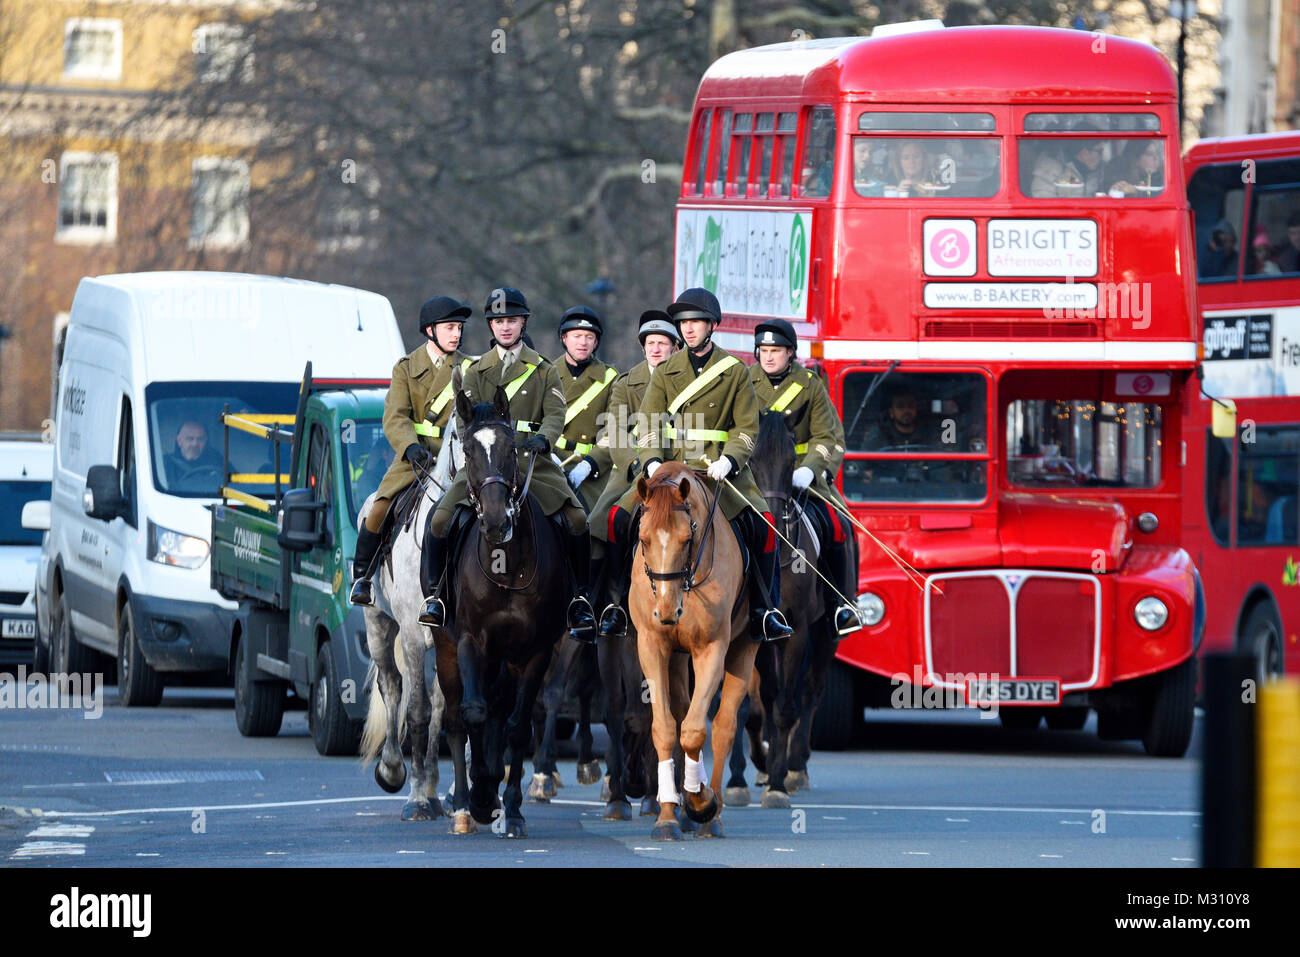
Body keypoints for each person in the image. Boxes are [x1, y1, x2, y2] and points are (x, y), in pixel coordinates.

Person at [611, 287, 792, 641]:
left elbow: (746, 427)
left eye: (695, 322)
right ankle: (618, 605)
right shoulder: (665, 372)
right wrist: (651, 462)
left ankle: (764, 610)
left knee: (764, 524)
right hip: (671, 471)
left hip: (717, 472)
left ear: (711, 325)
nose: (688, 329)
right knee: (618, 519)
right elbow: (648, 421)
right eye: (683, 323)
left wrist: (730, 459)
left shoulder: (736, 371)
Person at [419, 287, 596, 642]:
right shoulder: (475, 371)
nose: (505, 327)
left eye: (512, 321)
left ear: (523, 323)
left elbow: (556, 413)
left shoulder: (544, 370)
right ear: (491, 325)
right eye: (499, 321)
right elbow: (463, 418)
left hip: (532, 460)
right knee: (439, 518)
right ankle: (436, 597)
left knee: (577, 517)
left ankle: (579, 599)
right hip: (486, 463)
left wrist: (544, 438)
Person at [350, 296, 476, 606]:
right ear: (430, 330)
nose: (456, 334)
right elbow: (394, 417)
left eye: (458, 328)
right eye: (449, 328)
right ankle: (363, 578)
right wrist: (409, 448)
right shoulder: (406, 368)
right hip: (415, 458)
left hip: (458, 459)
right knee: (379, 507)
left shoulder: (470, 369)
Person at [748, 318, 861, 637]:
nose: (768, 357)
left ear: (791, 353)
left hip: (800, 478)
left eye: (776, 351)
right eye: (764, 350)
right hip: (754, 478)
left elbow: (830, 437)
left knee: (838, 525)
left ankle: (842, 603)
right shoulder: (743, 382)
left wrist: (809, 468)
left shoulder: (810, 384)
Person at [590, 310, 681, 638]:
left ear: (674, 347)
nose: (656, 349)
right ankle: (609, 601)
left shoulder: (685, 381)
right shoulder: (626, 383)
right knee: (607, 520)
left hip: (675, 469)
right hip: (634, 471)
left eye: (662, 343)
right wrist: (638, 465)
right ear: (643, 348)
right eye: (650, 343)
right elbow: (615, 432)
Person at [552, 306, 618, 507]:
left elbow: (614, 431)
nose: (583, 342)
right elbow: (536, 422)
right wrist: (547, 455)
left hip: (591, 469)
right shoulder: (546, 374)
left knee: (594, 526)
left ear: (596, 342)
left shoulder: (610, 379)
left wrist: (590, 464)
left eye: (589, 337)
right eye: (577, 335)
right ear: (564, 338)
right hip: (550, 462)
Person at [865, 385, 940, 450]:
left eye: (911, 405)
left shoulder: (929, 433)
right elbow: (862, 463)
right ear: (891, 412)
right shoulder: (878, 435)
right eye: (900, 406)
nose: (906, 410)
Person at [164, 420, 223, 489]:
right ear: (179, 441)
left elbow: (234, 483)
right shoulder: (165, 463)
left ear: (206, 441)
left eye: (200, 439)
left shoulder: (217, 460)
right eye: (190, 439)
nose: (195, 444)